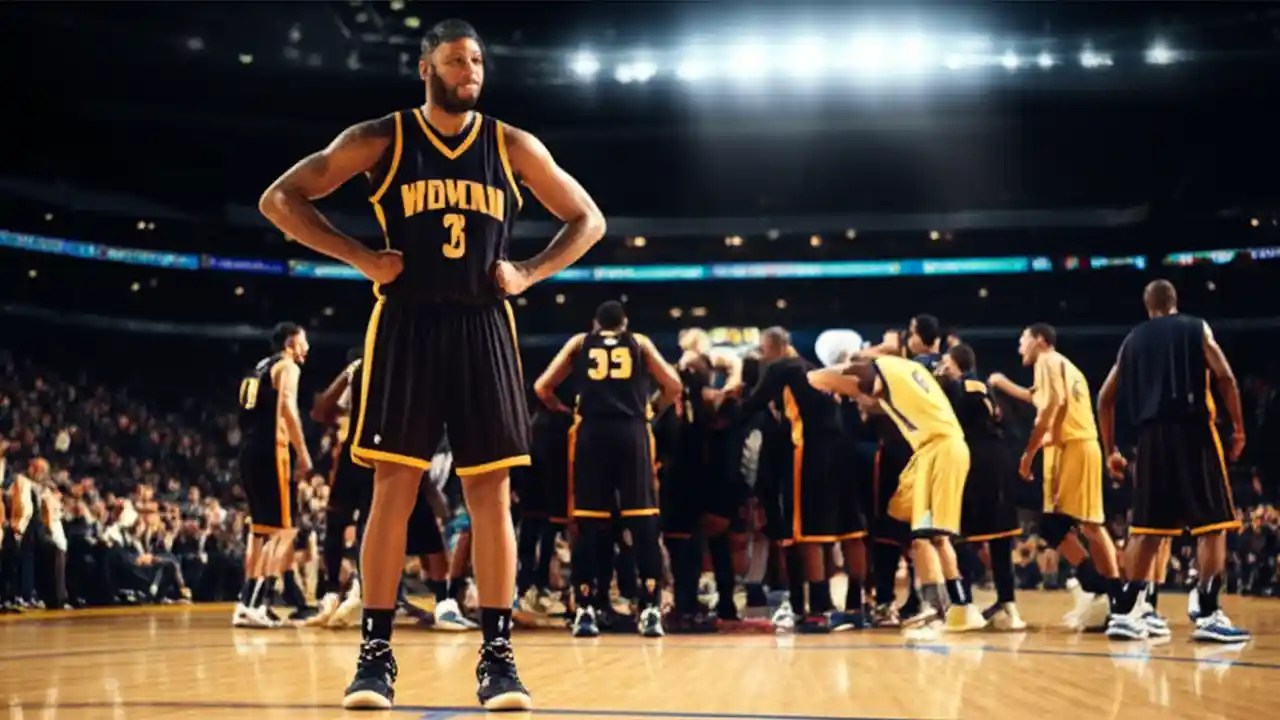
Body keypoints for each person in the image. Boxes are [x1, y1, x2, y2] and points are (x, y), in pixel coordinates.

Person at [258, 17, 605, 711]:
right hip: (406, 324)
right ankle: (375, 656)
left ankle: (499, 659)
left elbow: (588, 219)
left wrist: (531, 272)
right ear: (426, 69)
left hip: (484, 324)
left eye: (476, 59)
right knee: (393, 486)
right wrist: (360, 256)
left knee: (491, 496)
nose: (469, 70)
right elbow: (281, 199)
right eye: (455, 60)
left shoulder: (511, 144)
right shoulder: (383, 137)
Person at [1096, 280, 1250, 643]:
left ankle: (1125, 611)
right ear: (1174, 302)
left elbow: (1104, 398)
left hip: (1150, 440)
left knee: (1147, 530)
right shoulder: (1195, 328)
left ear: (1147, 305)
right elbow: (1225, 376)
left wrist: (1111, 450)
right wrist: (1239, 428)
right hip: (1193, 429)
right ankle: (1209, 612)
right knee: (1212, 526)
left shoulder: (1132, 340)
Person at [533, 300, 681, 638]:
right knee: (643, 522)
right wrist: (651, 410)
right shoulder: (639, 343)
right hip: (632, 434)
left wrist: (566, 411)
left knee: (588, 523)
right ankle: (650, 609)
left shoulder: (580, 343)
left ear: (595, 323)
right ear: (624, 323)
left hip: (592, 435)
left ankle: (585, 608)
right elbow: (673, 386)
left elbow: (542, 387)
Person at [808, 354, 981, 639]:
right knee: (938, 537)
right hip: (946, 450)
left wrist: (814, 377)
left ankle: (934, 611)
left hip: (937, 452)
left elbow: (840, 377)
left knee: (923, 537)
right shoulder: (919, 383)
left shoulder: (887, 368)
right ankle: (961, 606)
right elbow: (872, 401)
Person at [988, 324, 1125, 633]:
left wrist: (1028, 453)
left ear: (1040, 340)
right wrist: (1003, 383)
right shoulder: (1059, 365)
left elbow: (1052, 405)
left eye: (1022, 339)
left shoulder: (1048, 361)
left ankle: (1118, 597)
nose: (1019, 346)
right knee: (1052, 525)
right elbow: (1036, 397)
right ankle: (1096, 585)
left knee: (1090, 523)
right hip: (1064, 448)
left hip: (1074, 446)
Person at [729, 327, 867, 634]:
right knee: (852, 530)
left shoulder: (781, 368)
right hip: (843, 451)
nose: (763, 356)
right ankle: (857, 606)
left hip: (811, 451)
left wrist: (725, 413)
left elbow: (753, 404)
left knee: (809, 533)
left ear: (775, 346)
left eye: (764, 350)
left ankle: (818, 609)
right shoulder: (817, 370)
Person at [937, 344, 1025, 630]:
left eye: (946, 362)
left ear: (956, 364)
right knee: (1000, 537)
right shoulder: (986, 386)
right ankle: (1007, 603)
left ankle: (965, 604)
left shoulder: (957, 386)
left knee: (959, 534)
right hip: (998, 458)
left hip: (974, 461)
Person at [232, 322, 313, 629]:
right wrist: (302, 453)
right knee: (282, 532)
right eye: (304, 342)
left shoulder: (257, 369)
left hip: (249, 450)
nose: (307, 348)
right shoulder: (287, 366)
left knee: (260, 532)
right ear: (291, 343)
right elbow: (288, 410)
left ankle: (247, 603)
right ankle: (254, 602)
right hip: (271, 450)